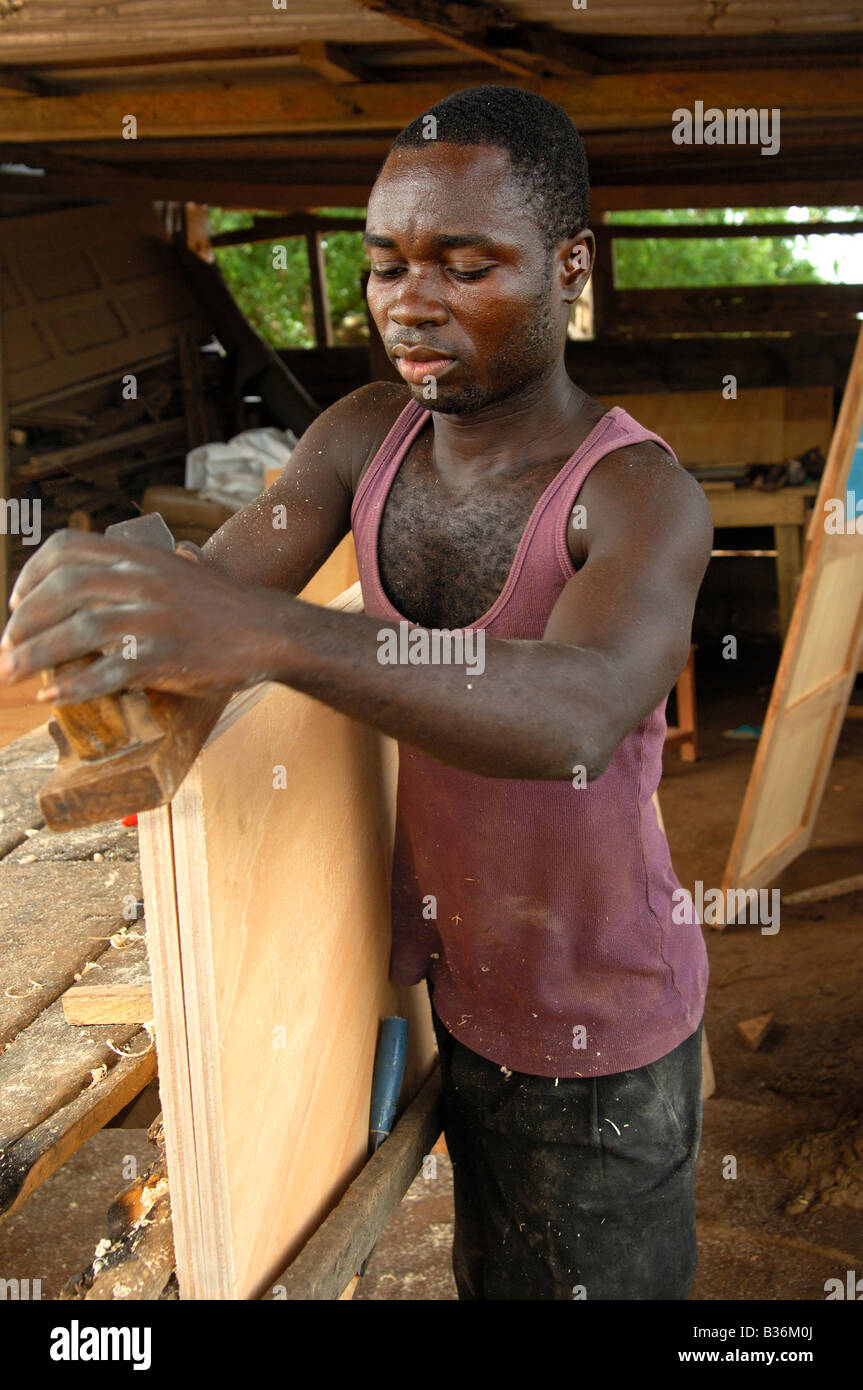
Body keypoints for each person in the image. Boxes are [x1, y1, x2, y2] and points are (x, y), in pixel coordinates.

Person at [1, 86, 713, 1301]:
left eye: (463, 262)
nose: (408, 303)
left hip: (601, 1018)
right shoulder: (358, 439)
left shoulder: (637, 494)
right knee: (501, 1271)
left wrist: (261, 633)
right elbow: (216, 602)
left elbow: (578, 712)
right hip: (453, 982)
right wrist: (113, 620)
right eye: (384, 263)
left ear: (568, 267)